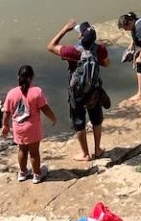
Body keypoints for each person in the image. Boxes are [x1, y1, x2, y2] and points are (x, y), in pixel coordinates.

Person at [47, 20, 110, 161]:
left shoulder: (72, 51)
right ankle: (98, 149)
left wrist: (64, 30)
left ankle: (85, 154)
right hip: (94, 89)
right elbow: (107, 64)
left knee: (79, 122)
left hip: (77, 92)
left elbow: (50, 46)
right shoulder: (100, 49)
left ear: (81, 37)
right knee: (96, 119)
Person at [2, 64, 57, 184]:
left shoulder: (11, 93)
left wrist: (5, 125)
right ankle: (37, 175)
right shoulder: (36, 91)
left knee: (22, 150)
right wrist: (53, 118)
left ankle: (22, 173)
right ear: (32, 78)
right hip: (32, 127)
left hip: (18, 127)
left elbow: (6, 112)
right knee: (34, 152)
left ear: (18, 77)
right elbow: (45, 108)